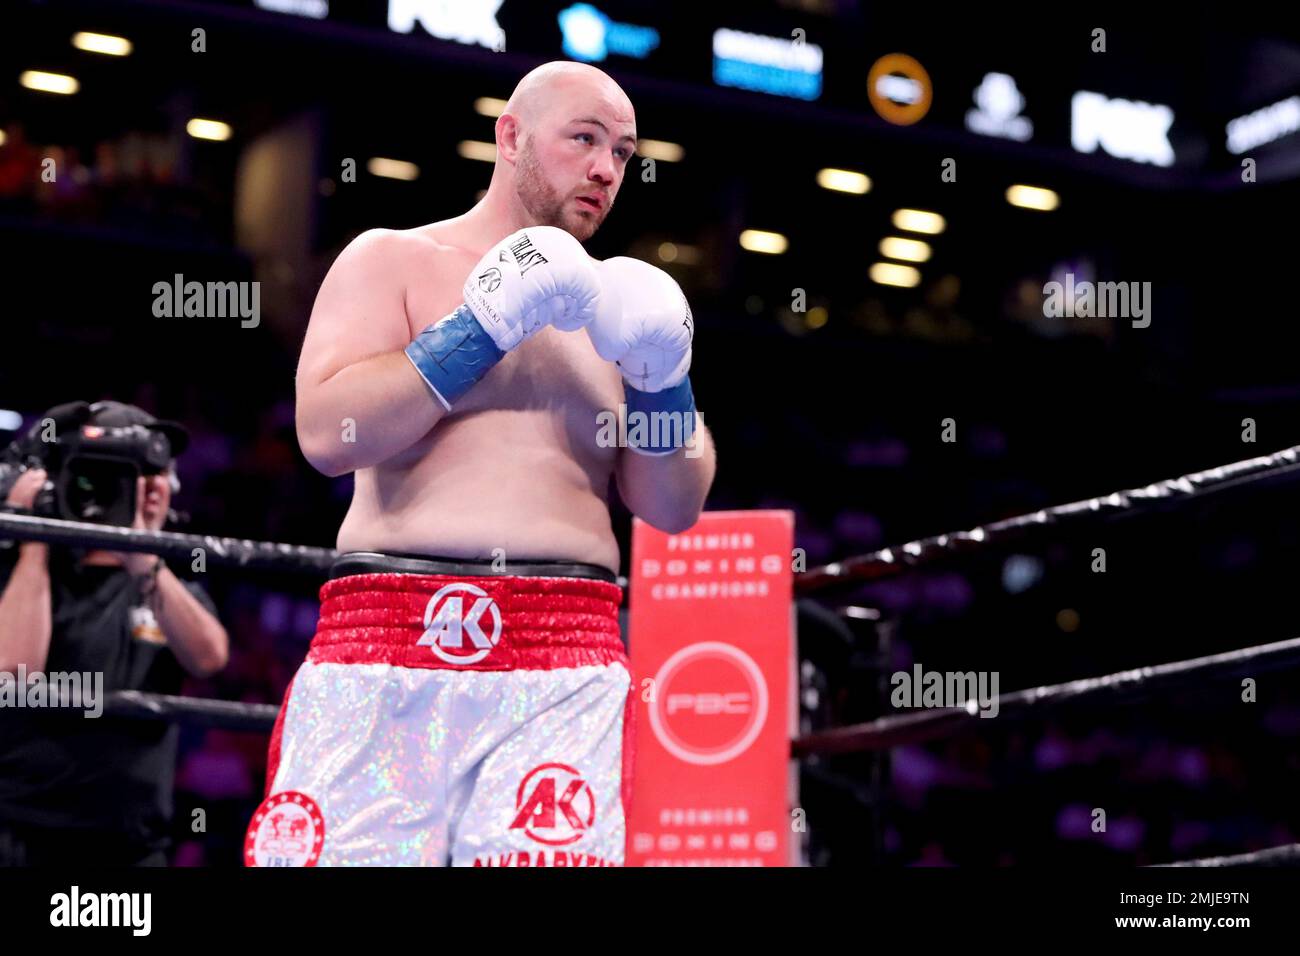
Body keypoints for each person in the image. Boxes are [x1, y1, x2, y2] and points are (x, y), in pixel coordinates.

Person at [255, 61, 716, 866]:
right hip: (388, 634)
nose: (607, 169)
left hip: (563, 653)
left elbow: (672, 506)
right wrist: (480, 327)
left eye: (623, 152)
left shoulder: (620, 311)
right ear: (510, 136)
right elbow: (328, 435)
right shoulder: (392, 258)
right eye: (584, 139)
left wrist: (663, 379)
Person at [0, 401, 229, 865]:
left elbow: (208, 658)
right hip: (21, 834)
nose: (140, 486)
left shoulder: (171, 581)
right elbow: (15, 672)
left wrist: (141, 554)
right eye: (117, 472)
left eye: (153, 471)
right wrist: (37, 534)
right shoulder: (28, 570)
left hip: (132, 844)